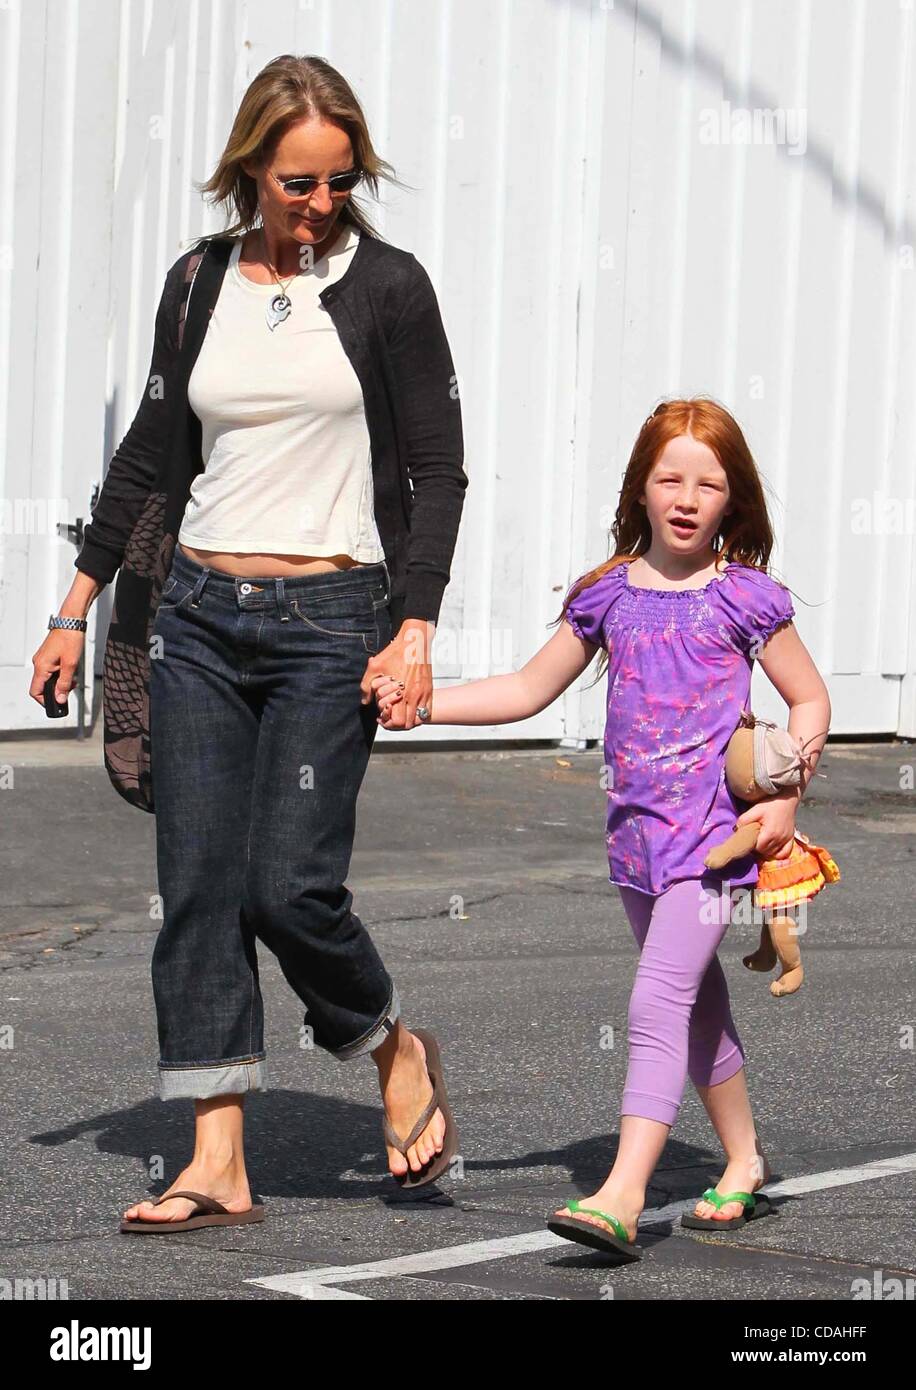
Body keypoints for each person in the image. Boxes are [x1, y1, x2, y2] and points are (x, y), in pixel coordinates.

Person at [30, 55, 465, 1229]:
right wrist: (73, 607)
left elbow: (437, 470)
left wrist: (414, 624)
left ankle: (391, 1045)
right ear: (248, 172)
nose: (320, 206)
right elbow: (150, 455)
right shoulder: (197, 282)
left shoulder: (391, 288)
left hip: (336, 624)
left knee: (288, 888)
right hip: (202, 621)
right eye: (296, 185)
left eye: (338, 182)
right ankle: (216, 1157)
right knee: (199, 891)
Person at [373, 397, 832, 1264]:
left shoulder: (743, 599)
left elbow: (810, 700)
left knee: (656, 1001)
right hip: (634, 846)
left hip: (712, 847)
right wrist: (426, 703)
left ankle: (622, 1195)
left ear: (732, 500)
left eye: (708, 482)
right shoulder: (609, 594)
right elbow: (525, 689)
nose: (687, 497)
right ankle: (742, 1160)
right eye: (670, 478)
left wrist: (786, 799)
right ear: (642, 488)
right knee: (696, 1008)